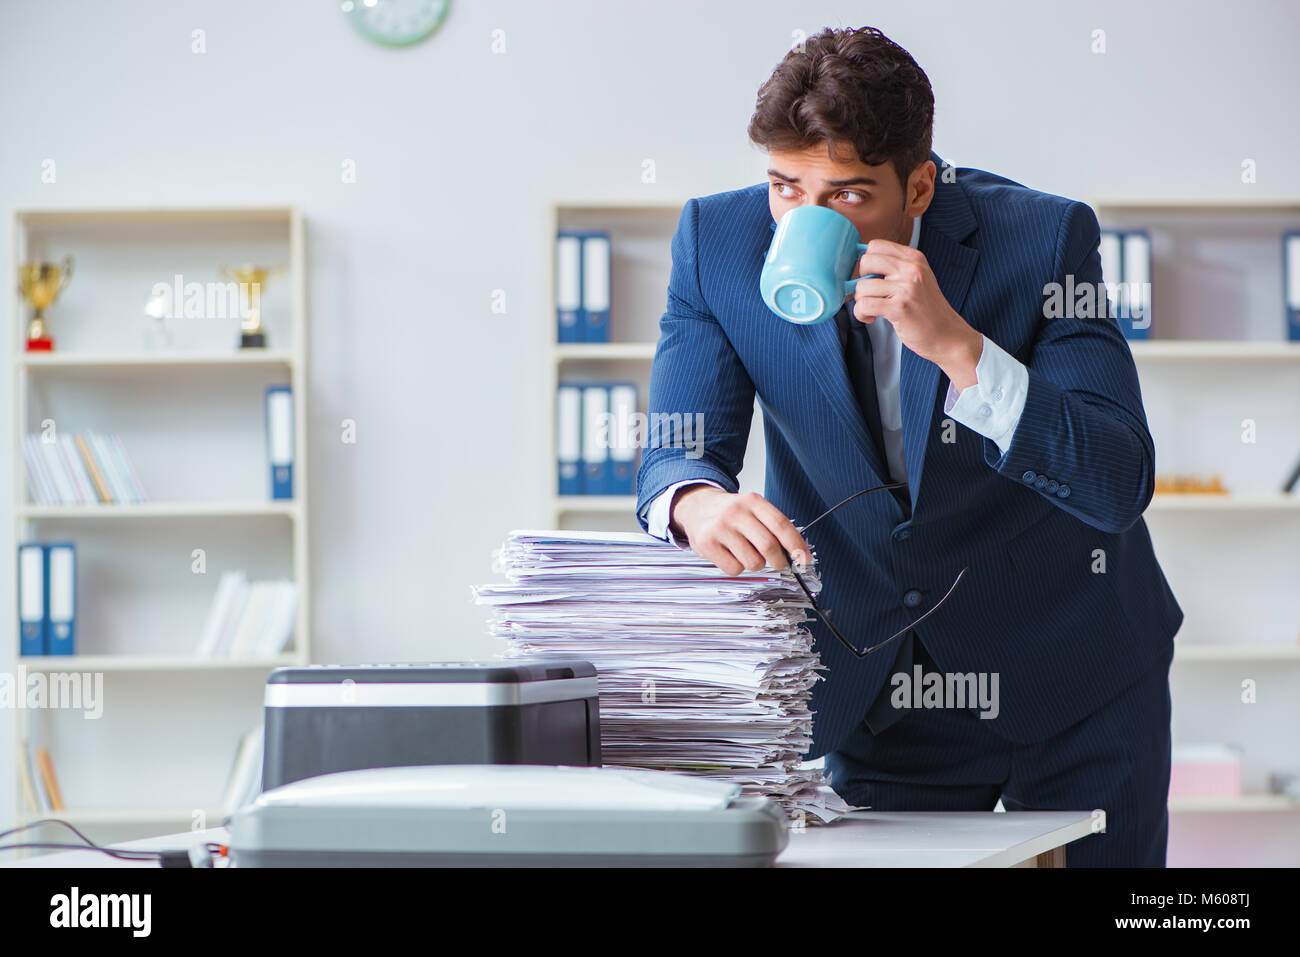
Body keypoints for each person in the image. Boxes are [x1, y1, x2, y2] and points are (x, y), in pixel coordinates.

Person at [634, 25, 1183, 866]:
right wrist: (694, 501)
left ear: (919, 185)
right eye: (785, 186)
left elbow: (1116, 478)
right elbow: (677, 449)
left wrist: (962, 350)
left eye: (849, 195)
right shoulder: (718, 244)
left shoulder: (1042, 239)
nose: (804, 218)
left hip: (1077, 672)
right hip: (882, 685)